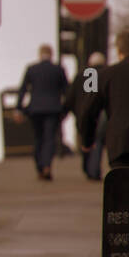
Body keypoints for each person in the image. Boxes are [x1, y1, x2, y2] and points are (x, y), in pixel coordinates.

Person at [82, 30, 129, 171]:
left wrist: (87, 140)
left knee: (123, 187)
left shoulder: (102, 75)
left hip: (120, 143)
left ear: (118, 49)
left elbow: (88, 110)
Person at [15, 44, 68, 180]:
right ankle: (47, 166)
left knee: (38, 138)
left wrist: (19, 108)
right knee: (49, 138)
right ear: (52, 54)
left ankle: (39, 166)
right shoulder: (58, 69)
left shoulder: (32, 69)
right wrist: (66, 109)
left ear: (40, 54)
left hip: (35, 109)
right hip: (53, 109)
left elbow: (23, 90)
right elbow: (66, 91)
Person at [65, 51, 107, 180]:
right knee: (97, 140)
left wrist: (71, 111)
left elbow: (73, 97)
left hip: (84, 113)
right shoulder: (107, 73)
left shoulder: (82, 75)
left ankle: (89, 168)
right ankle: (93, 169)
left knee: (86, 138)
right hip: (101, 113)